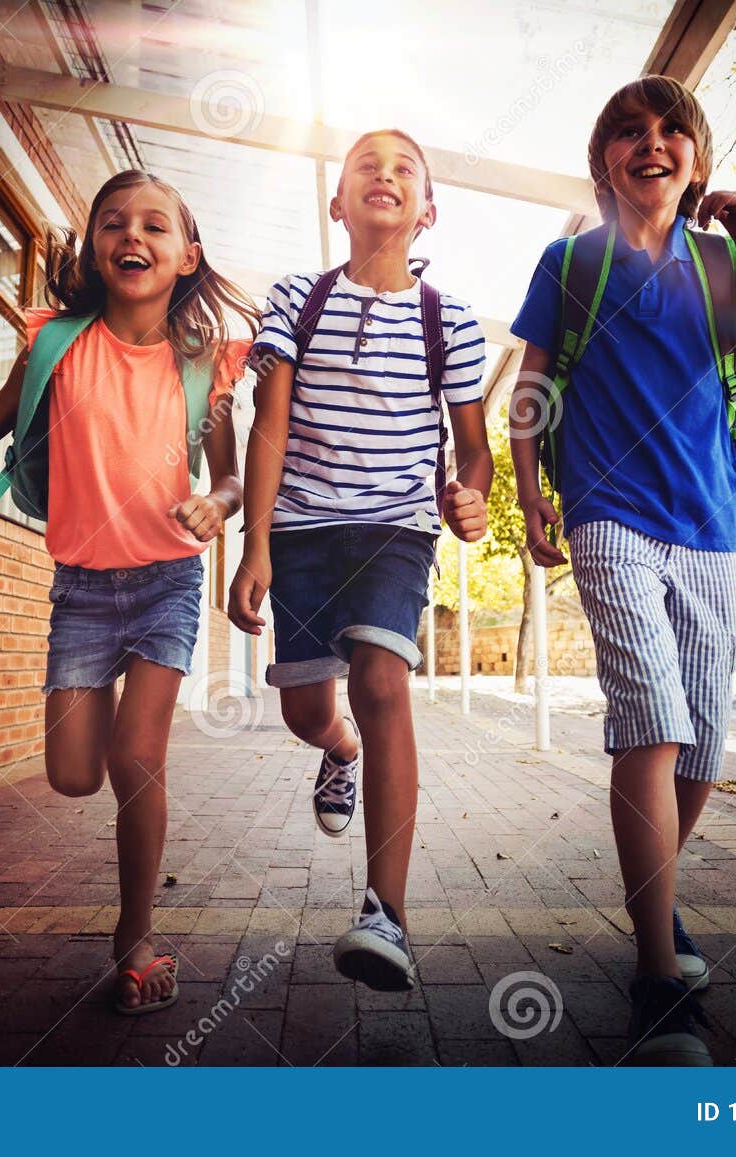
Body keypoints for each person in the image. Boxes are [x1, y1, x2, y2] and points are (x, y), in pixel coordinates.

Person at [508, 77, 736, 1062]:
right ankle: (658, 978)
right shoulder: (570, 263)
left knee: (700, 745)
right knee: (650, 719)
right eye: (627, 132)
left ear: (693, 156)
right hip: (610, 513)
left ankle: (659, 907)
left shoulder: (721, 264)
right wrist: (531, 494)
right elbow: (529, 386)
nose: (649, 144)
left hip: (707, 524)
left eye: (669, 131)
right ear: (602, 156)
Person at [0, 170, 257, 1015]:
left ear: (186, 255)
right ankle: (128, 898)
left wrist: (216, 504)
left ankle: (135, 936)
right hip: (82, 591)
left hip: (167, 579)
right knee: (70, 775)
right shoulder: (54, 345)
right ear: (94, 246)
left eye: (156, 225)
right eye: (114, 223)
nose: (134, 235)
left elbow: (232, 478)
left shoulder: (202, 361)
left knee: (137, 756)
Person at [229, 129, 492, 991]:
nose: (385, 175)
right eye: (364, 167)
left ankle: (388, 912)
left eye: (405, 168)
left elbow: (473, 448)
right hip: (302, 527)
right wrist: (257, 540)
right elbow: (269, 424)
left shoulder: (448, 317)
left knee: (382, 679)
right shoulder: (296, 296)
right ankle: (337, 749)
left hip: (395, 527)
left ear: (428, 211)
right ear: (337, 203)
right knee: (308, 706)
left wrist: (471, 496)